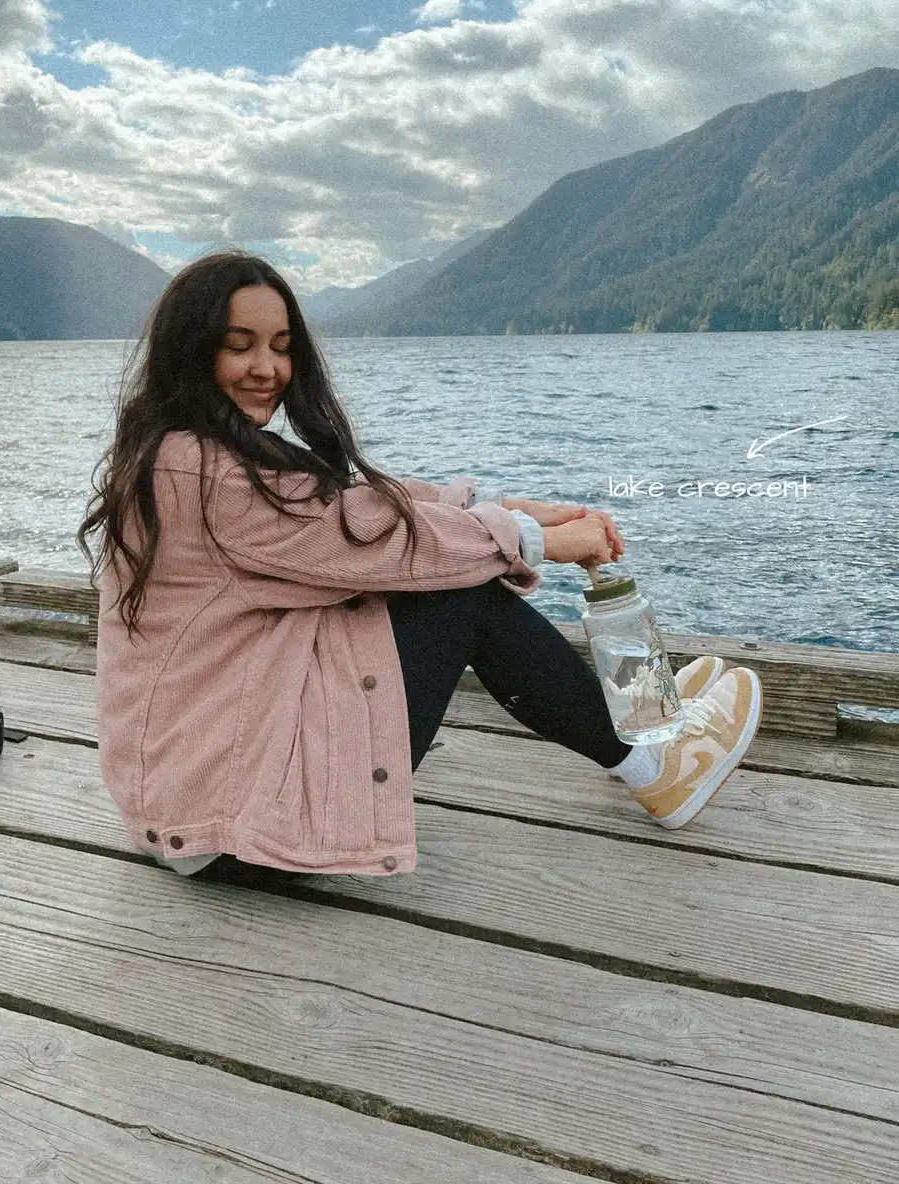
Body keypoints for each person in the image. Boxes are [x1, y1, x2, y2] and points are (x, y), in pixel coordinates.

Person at [80, 251, 762, 890]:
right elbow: (385, 541)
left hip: (201, 802)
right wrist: (542, 541)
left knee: (449, 565)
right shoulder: (206, 475)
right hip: (235, 828)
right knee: (460, 587)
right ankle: (653, 763)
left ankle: (633, 725)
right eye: (240, 345)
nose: (267, 367)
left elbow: (356, 509)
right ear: (190, 350)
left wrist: (509, 510)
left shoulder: (181, 454)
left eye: (281, 346)